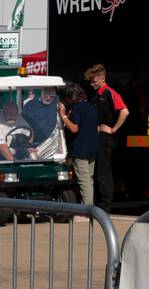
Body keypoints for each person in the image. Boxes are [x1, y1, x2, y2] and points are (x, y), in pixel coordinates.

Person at [85, 63, 128, 212]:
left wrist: (113, 129)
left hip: (106, 138)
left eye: (94, 81)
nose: (91, 84)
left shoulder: (110, 93)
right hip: (97, 138)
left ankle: (105, 206)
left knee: (103, 172)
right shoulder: (96, 97)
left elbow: (124, 111)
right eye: (90, 81)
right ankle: (98, 204)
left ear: (102, 78)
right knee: (96, 171)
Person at [59, 83, 99, 213]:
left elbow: (74, 128)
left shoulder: (77, 109)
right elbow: (96, 128)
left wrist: (64, 115)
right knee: (89, 179)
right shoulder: (92, 107)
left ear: (72, 97)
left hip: (80, 149)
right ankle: (88, 206)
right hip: (93, 148)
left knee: (83, 181)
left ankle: (87, 211)